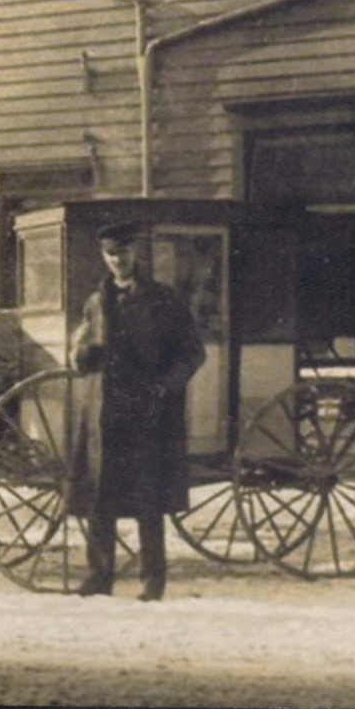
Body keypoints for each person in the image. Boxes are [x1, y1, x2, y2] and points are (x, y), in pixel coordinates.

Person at [71, 221, 205, 601]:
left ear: (135, 253)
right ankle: (99, 576)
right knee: (100, 495)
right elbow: (84, 362)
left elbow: (193, 353)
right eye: (111, 254)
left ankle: (152, 580)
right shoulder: (96, 303)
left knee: (148, 497)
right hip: (105, 412)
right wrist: (81, 353)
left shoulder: (164, 299)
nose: (119, 260)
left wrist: (165, 386)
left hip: (147, 411)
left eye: (124, 252)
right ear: (104, 257)